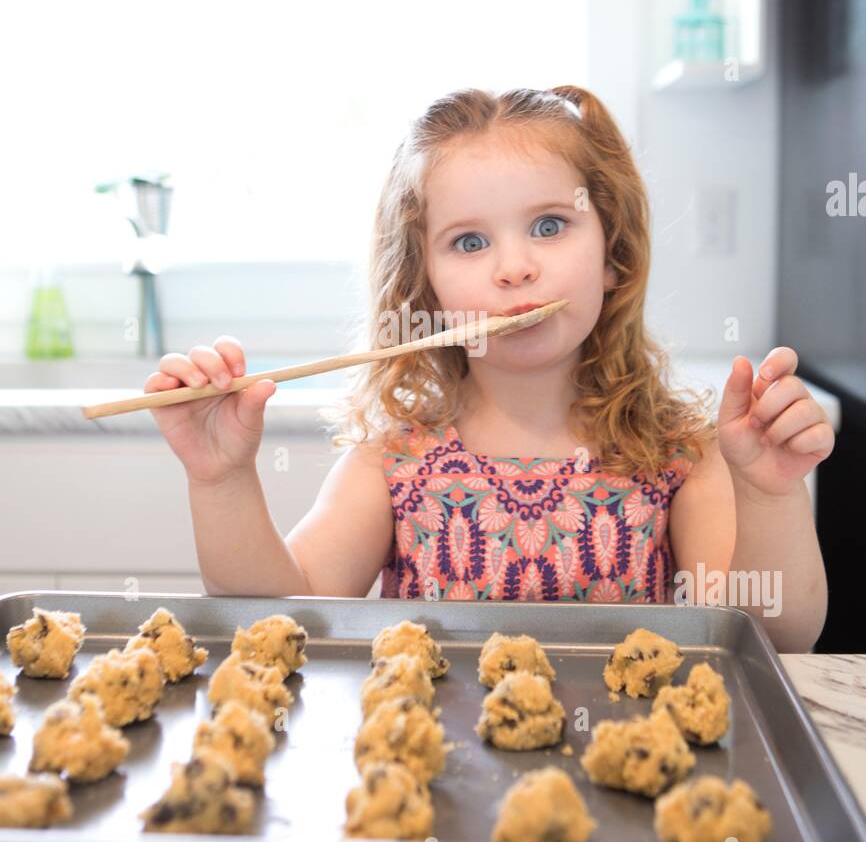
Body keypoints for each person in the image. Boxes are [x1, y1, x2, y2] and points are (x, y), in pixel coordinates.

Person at [145, 86, 833, 651]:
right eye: (470, 241)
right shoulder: (392, 460)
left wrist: (771, 498)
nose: (514, 268)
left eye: (549, 225)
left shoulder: (682, 455)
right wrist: (222, 481)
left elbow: (769, 639)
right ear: (425, 287)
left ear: (614, 251)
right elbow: (278, 619)